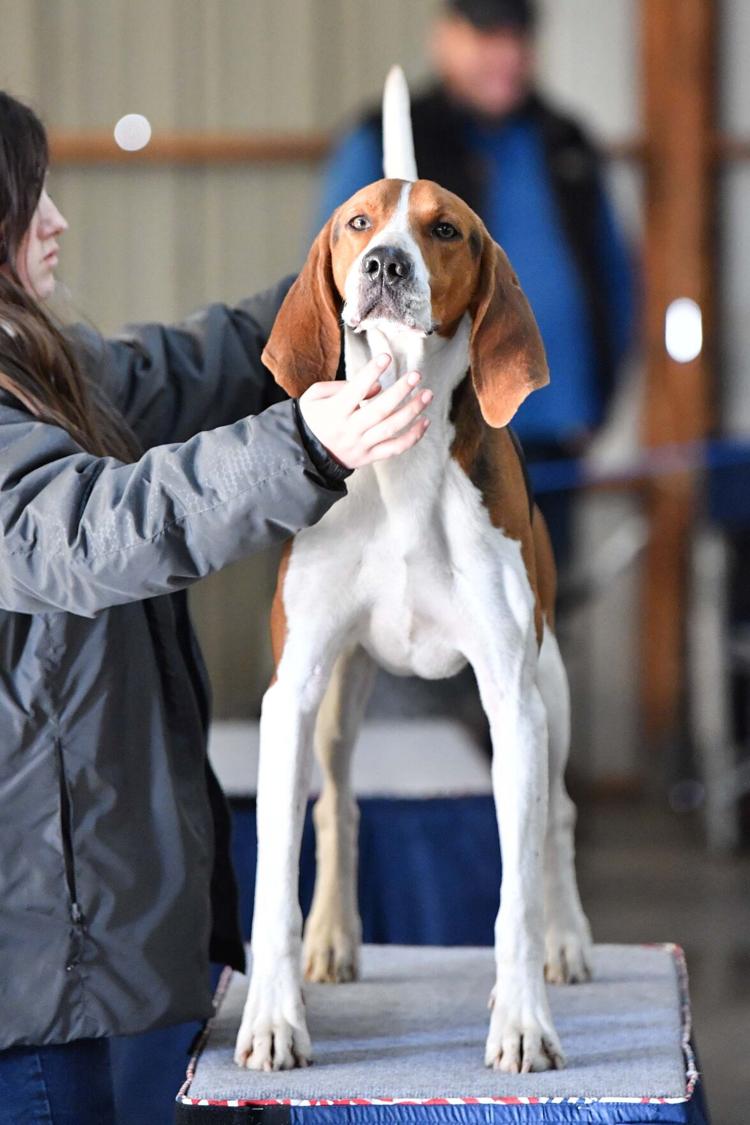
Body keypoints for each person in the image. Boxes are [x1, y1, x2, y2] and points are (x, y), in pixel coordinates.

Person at [0, 90, 432, 1124]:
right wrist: (306, 447)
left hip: (103, 931)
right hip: (43, 977)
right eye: (26, 203)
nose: (56, 220)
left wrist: (359, 268)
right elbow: (99, 526)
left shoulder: (45, 371)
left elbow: (193, 367)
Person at [316, 0, 636, 568]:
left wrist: (601, 398)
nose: (508, 56)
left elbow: (614, 275)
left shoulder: (567, 141)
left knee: (538, 615)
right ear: (444, 38)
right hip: (433, 431)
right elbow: (340, 283)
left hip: (553, 431)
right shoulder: (382, 140)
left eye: (519, 37)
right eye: (488, 36)